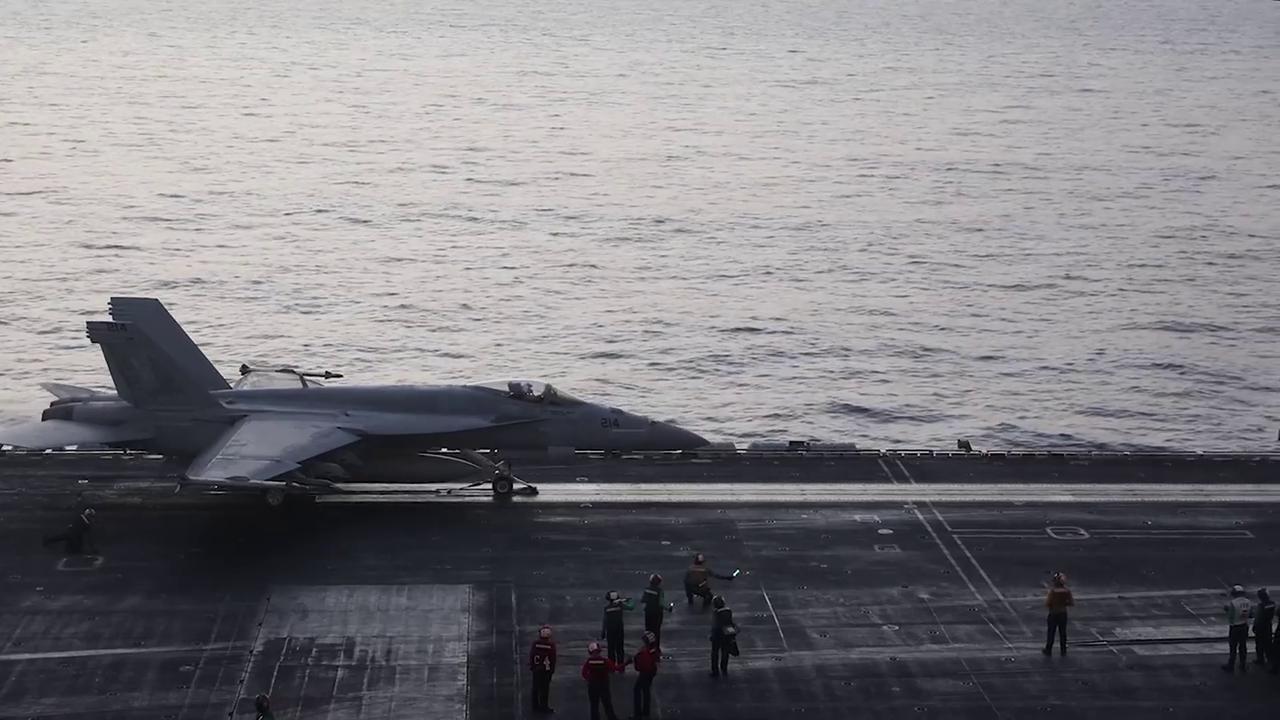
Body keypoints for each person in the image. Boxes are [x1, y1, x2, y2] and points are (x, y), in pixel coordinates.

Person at [581, 641, 627, 720]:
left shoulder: (589, 662)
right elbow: (615, 668)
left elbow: (584, 673)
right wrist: (626, 663)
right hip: (603, 685)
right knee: (607, 704)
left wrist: (589, 679)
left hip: (593, 686)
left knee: (594, 705)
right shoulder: (605, 661)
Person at [1042, 571, 1074, 656]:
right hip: (1063, 613)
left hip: (1053, 613)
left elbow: (1047, 603)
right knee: (1063, 633)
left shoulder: (1052, 591)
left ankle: (1048, 649)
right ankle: (1063, 650)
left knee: (1051, 632)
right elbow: (1071, 602)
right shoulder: (1067, 591)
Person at [1223, 584, 1252, 672]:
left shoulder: (1233, 603)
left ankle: (1231, 665)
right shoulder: (1248, 602)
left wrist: (1227, 610)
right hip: (1244, 626)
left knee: (1233, 647)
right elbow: (1250, 614)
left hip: (1235, 627)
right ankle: (1242, 664)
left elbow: (1230, 617)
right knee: (1243, 646)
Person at [631, 631, 660, 719]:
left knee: (637, 689)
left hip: (645, 673)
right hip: (651, 672)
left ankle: (637, 713)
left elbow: (639, 662)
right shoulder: (654, 649)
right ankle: (646, 711)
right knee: (646, 690)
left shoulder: (644, 651)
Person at [529, 625, 557, 713]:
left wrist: (532, 666)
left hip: (536, 669)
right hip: (546, 670)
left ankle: (535, 706)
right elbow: (553, 658)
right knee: (545, 689)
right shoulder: (551, 645)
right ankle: (544, 706)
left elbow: (532, 655)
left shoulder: (535, 643)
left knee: (535, 687)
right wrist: (552, 670)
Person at [709, 595, 736, 678]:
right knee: (725, 652)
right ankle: (724, 667)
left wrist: (712, 635)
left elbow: (715, 625)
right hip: (727, 633)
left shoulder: (716, 613)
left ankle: (715, 670)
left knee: (715, 653)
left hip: (717, 635)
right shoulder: (728, 611)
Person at [640, 574, 670, 647]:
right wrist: (669, 608)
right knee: (656, 630)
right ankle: (656, 647)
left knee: (648, 630)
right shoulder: (659, 591)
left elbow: (643, 600)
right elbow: (661, 603)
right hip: (657, 613)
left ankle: (648, 646)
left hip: (648, 612)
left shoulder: (646, 590)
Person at [601, 590, 630, 664]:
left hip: (610, 631)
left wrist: (603, 632)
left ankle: (612, 666)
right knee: (620, 649)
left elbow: (605, 621)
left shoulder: (606, 608)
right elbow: (631, 607)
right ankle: (621, 666)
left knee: (611, 649)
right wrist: (626, 600)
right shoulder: (620, 606)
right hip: (619, 630)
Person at [1253, 588, 1275, 666]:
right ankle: (1270, 659)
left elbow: (1258, 617)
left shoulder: (1261, 606)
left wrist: (1254, 626)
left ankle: (1260, 659)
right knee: (1268, 644)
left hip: (1260, 627)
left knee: (1259, 644)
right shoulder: (1272, 604)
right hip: (1268, 626)